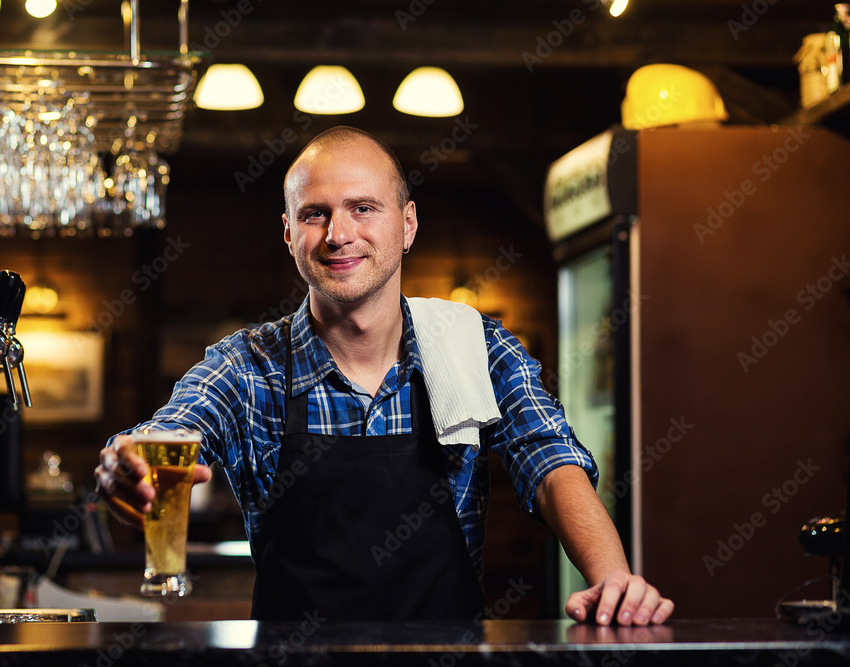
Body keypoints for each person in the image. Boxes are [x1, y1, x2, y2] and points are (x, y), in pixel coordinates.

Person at [95, 126, 674, 625]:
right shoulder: (248, 366)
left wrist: (614, 581)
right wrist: (130, 461)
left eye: (363, 208)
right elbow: (170, 430)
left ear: (407, 223)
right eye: (314, 213)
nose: (337, 234)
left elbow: (550, 463)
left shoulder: (474, 347)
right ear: (289, 231)